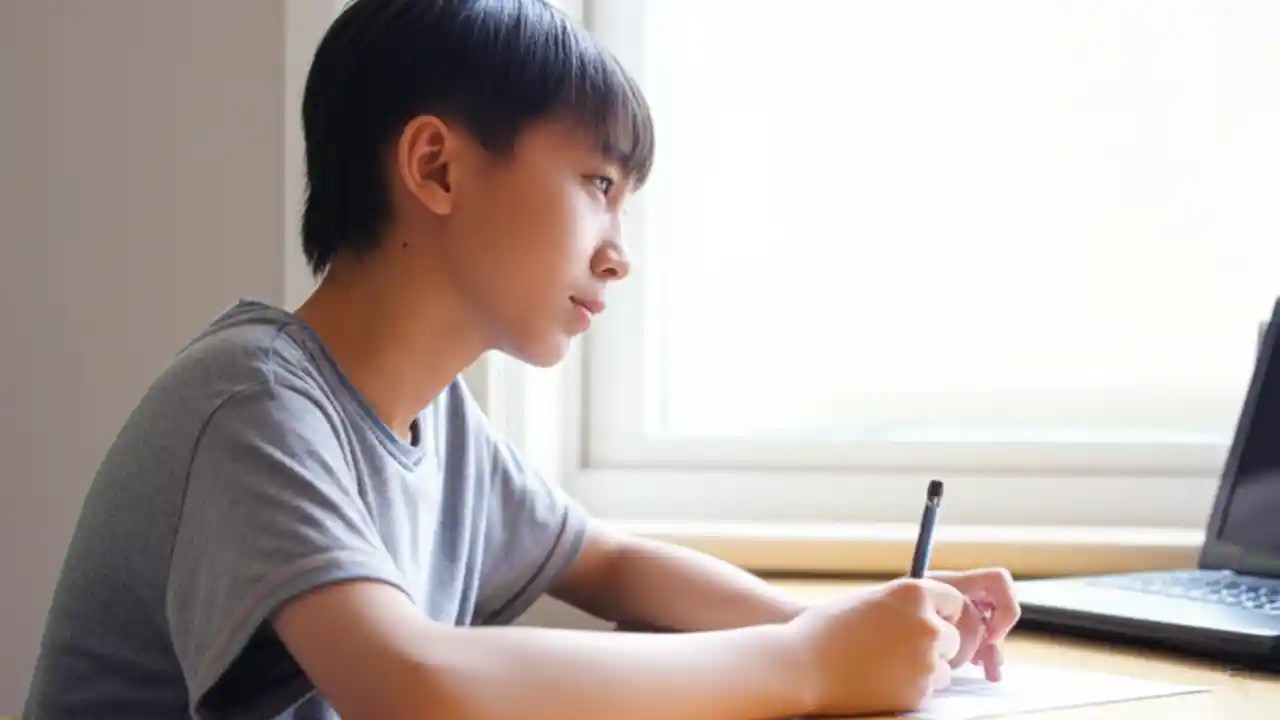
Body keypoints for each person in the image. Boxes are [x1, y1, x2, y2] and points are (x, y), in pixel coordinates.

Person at [24, 1, 1020, 718]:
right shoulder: (251, 406)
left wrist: (877, 630)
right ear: (435, 167)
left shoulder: (437, 422)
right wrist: (807, 661)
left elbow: (615, 566)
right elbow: (411, 685)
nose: (619, 253)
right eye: (596, 182)